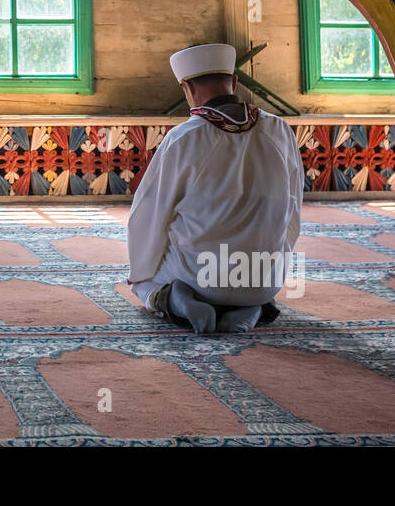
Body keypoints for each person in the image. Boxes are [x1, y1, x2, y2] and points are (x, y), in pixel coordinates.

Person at [126, 43, 303, 334]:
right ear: (234, 83)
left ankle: (173, 298)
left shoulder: (183, 138)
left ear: (187, 89)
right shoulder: (281, 130)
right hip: (263, 276)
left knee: (142, 282)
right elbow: (293, 211)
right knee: (255, 276)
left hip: (200, 278)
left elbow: (148, 217)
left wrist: (141, 273)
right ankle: (253, 306)